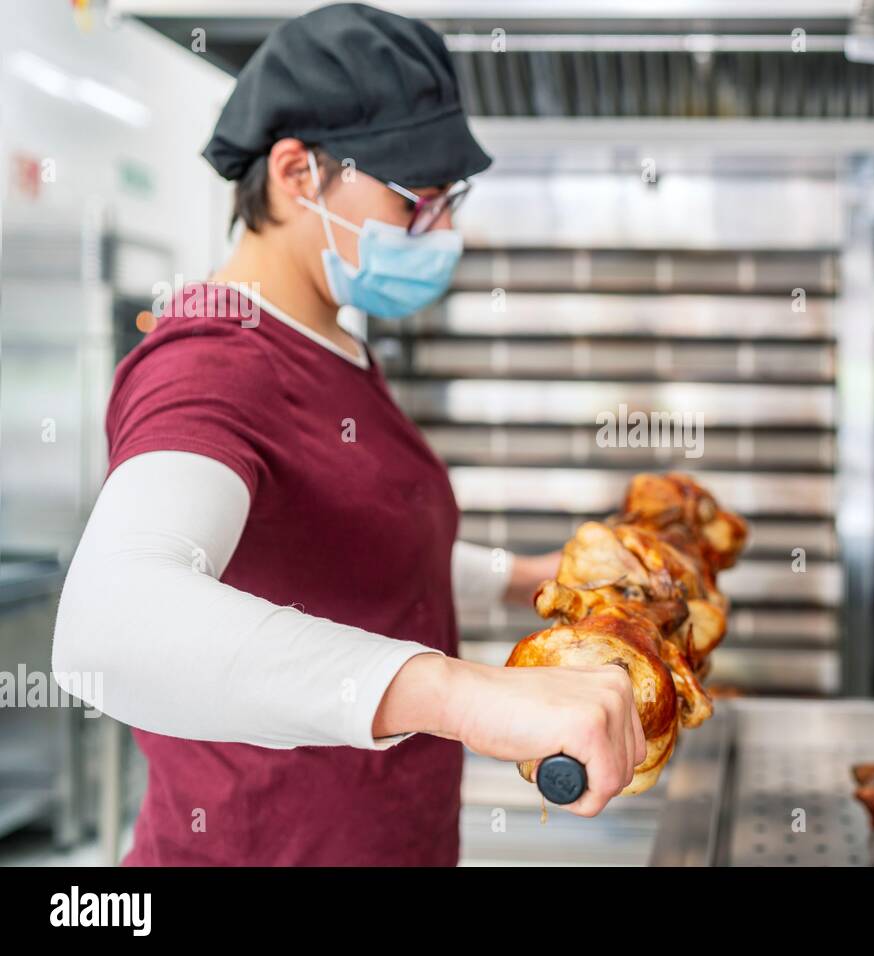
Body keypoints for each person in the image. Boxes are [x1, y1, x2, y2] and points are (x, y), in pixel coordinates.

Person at [51, 3, 644, 866]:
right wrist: (466, 695)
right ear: (298, 173)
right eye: (418, 199)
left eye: (451, 201)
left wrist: (528, 581)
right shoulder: (212, 360)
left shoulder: (331, 345)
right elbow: (111, 626)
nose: (441, 230)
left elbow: (345, 545)